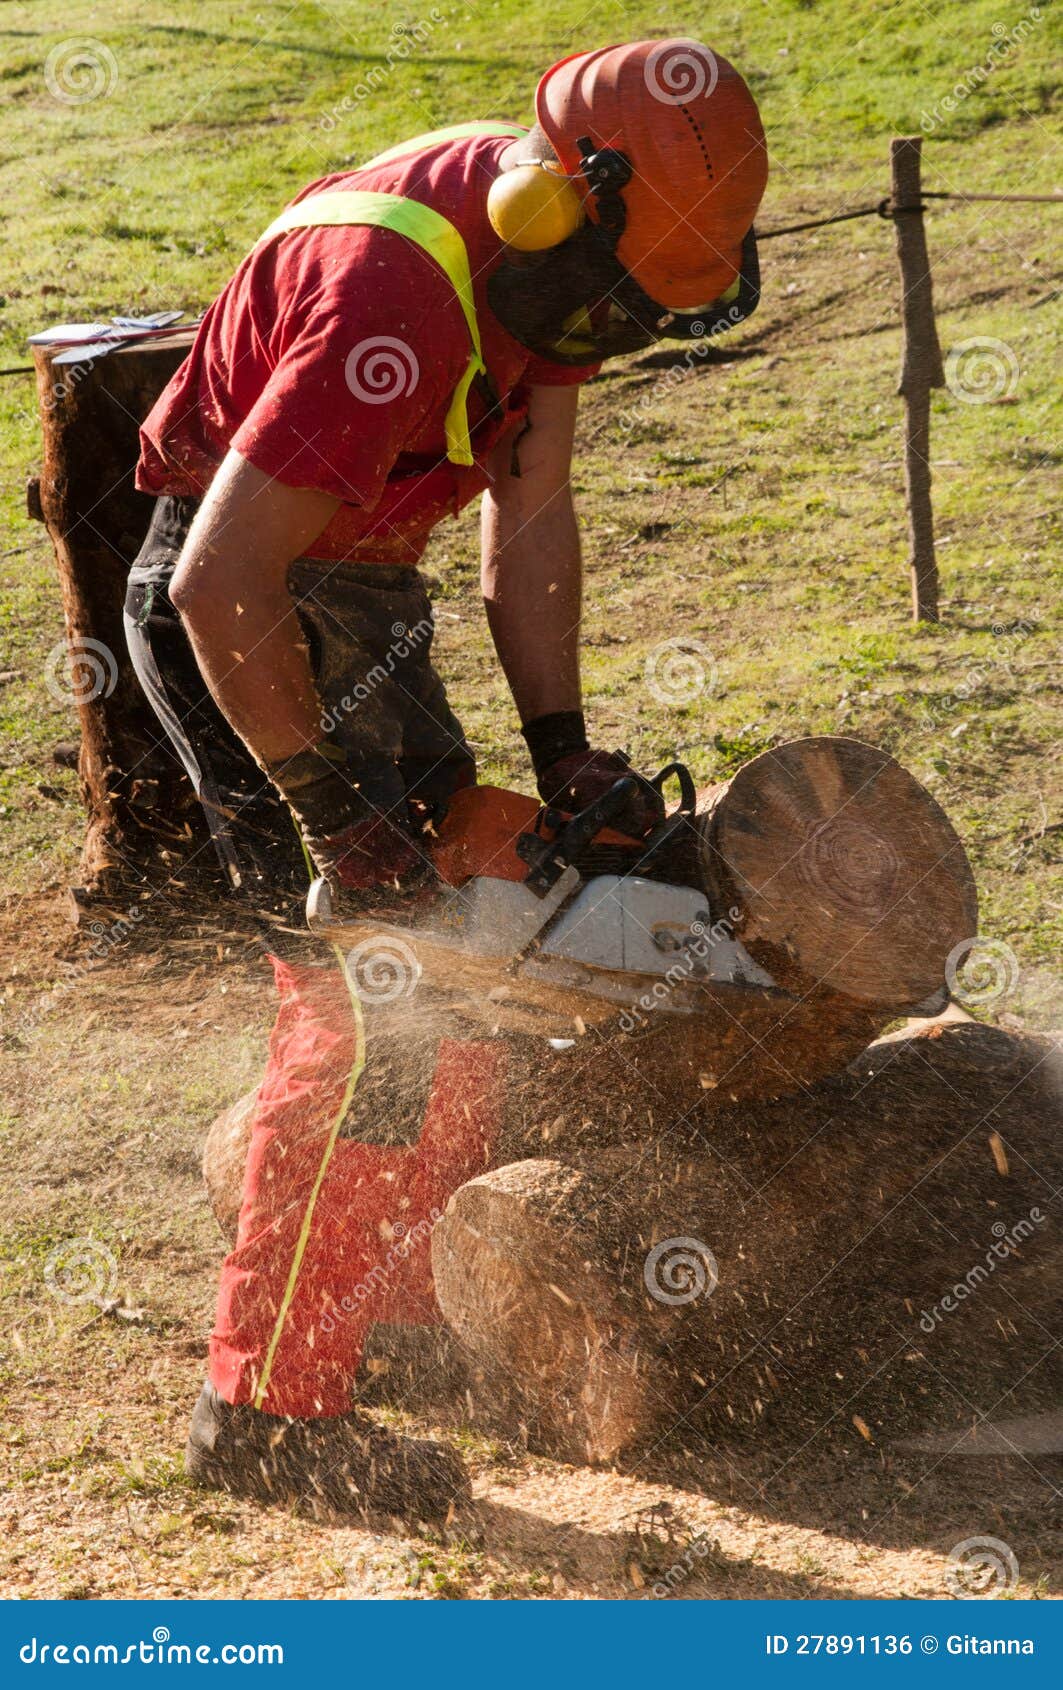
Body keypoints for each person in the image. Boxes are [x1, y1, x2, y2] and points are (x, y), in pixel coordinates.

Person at [125, 38, 767, 1520]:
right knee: (368, 1003)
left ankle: (393, 1324)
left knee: (464, 944)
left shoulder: (556, 254)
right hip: (241, 612)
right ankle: (266, 1410)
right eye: (605, 304)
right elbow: (225, 579)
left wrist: (564, 749)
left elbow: (528, 518)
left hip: (362, 597)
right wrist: (316, 800)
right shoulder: (395, 299)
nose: (602, 336)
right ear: (564, 204)